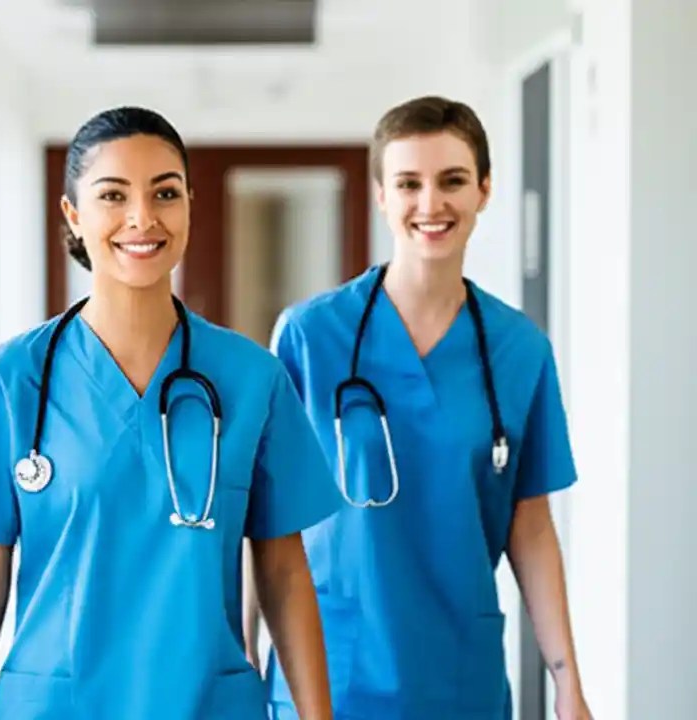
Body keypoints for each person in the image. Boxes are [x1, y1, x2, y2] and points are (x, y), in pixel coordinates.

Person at [0, 106, 341, 719]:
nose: (142, 218)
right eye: (113, 195)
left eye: (165, 193)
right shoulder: (15, 378)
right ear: (73, 213)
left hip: (204, 703)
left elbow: (283, 573)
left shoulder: (252, 379)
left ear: (190, 205)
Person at [253, 96, 591, 720]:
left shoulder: (519, 350)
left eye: (452, 181)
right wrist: (243, 659)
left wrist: (566, 681)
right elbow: (265, 512)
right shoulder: (311, 336)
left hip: (458, 678)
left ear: (484, 190)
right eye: (409, 183)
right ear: (382, 195)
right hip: (330, 678)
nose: (430, 203)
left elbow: (531, 524)